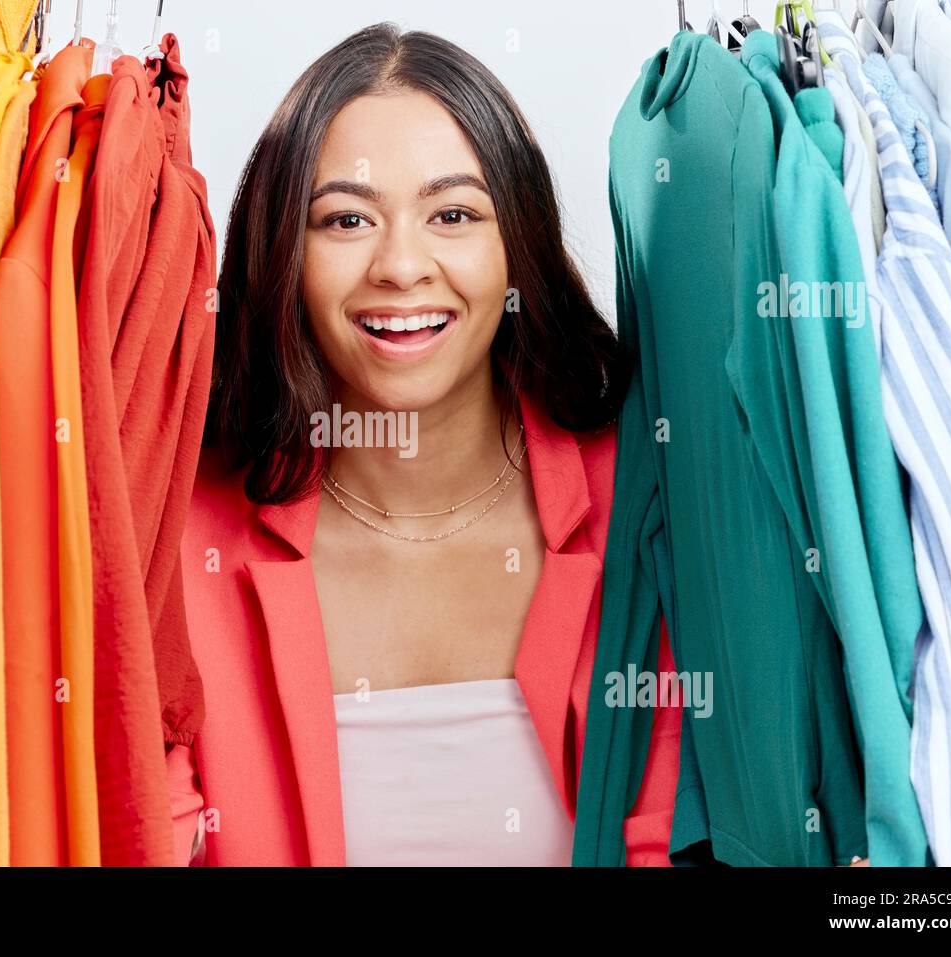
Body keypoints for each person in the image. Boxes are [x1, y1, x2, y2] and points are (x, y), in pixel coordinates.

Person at [167, 22, 683, 866]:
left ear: (517, 243)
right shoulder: (186, 541)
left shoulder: (648, 501)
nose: (402, 266)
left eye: (452, 213)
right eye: (345, 220)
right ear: (280, 253)